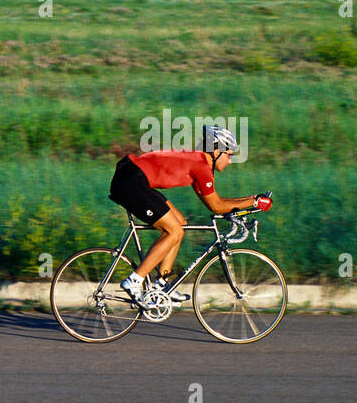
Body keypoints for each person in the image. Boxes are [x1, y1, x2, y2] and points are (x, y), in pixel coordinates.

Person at [110, 125, 271, 304]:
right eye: (229, 155)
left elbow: (216, 203)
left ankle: (161, 285)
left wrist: (249, 201)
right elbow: (217, 206)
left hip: (133, 176)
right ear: (216, 151)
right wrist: (253, 201)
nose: (230, 161)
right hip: (131, 181)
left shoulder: (199, 161)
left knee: (180, 223)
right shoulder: (201, 166)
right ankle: (134, 280)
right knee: (174, 231)